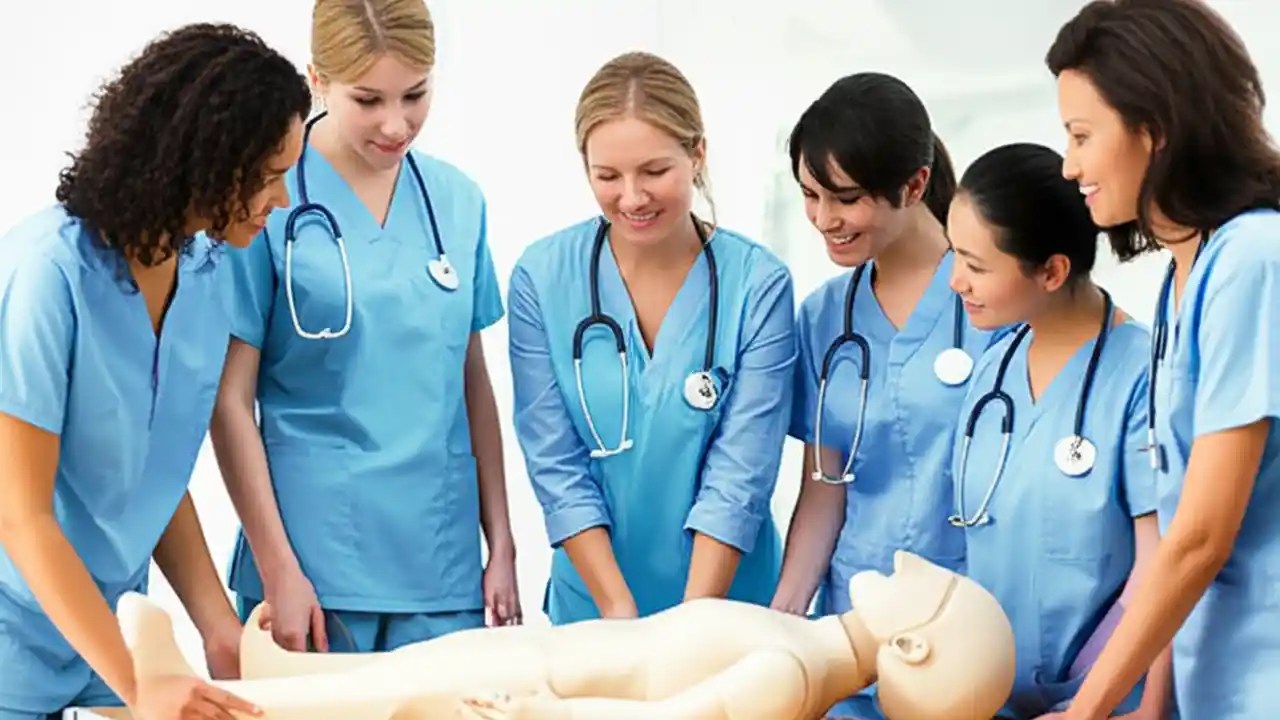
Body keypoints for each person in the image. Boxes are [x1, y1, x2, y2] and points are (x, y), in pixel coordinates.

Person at [0, 22, 310, 720]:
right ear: (206, 162)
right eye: (268, 176)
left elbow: (156, 476)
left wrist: (218, 630)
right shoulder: (48, 276)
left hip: (108, 637)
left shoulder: (205, 276)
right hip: (14, 643)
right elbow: (20, 517)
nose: (283, 199)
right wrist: (139, 683)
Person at [211, 0, 521, 656]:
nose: (396, 123)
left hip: (440, 565)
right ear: (316, 80)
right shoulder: (266, 198)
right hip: (316, 565)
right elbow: (229, 402)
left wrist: (502, 541)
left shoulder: (457, 202)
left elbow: (471, 385)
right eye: (369, 99)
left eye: (415, 94)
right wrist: (278, 568)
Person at [1039, 1, 1280, 718]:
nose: (1069, 164)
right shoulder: (1186, 277)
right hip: (1218, 680)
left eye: (1082, 136)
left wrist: (1088, 708)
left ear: (1157, 129)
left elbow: (1203, 536)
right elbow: (1177, 530)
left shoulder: (1252, 261)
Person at [507, 51, 795, 625]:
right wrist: (617, 611)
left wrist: (691, 626)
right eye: (607, 176)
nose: (632, 198)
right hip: (597, 608)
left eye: (654, 171)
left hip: (725, 611)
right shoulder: (541, 278)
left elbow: (741, 474)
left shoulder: (757, 286)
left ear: (698, 154)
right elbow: (556, 464)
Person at [107, 552, 1017, 720]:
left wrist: (548, 711)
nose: (911, 564)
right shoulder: (808, 646)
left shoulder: (790, 675)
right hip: (540, 659)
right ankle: (258, 681)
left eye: (926, 592)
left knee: (393, 701)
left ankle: (200, 702)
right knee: (397, 673)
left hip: (539, 685)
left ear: (915, 650)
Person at [770, 71, 1004, 718]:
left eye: (844, 198)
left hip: (972, 629)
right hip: (857, 630)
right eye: (810, 195)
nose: (823, 219)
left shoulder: (996, 300)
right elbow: (824, 486)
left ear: (915, 185)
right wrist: (784, 624)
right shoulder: (825, 318)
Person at [945, 142, 1172, 719]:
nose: (954, 282)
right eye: (954, 256)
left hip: (1109, 703)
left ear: (1051, 270)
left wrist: (1135, 708)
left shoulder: (1141, 375)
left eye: (975, 266)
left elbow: (1163, 566)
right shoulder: (994, 369)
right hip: (991, 697)